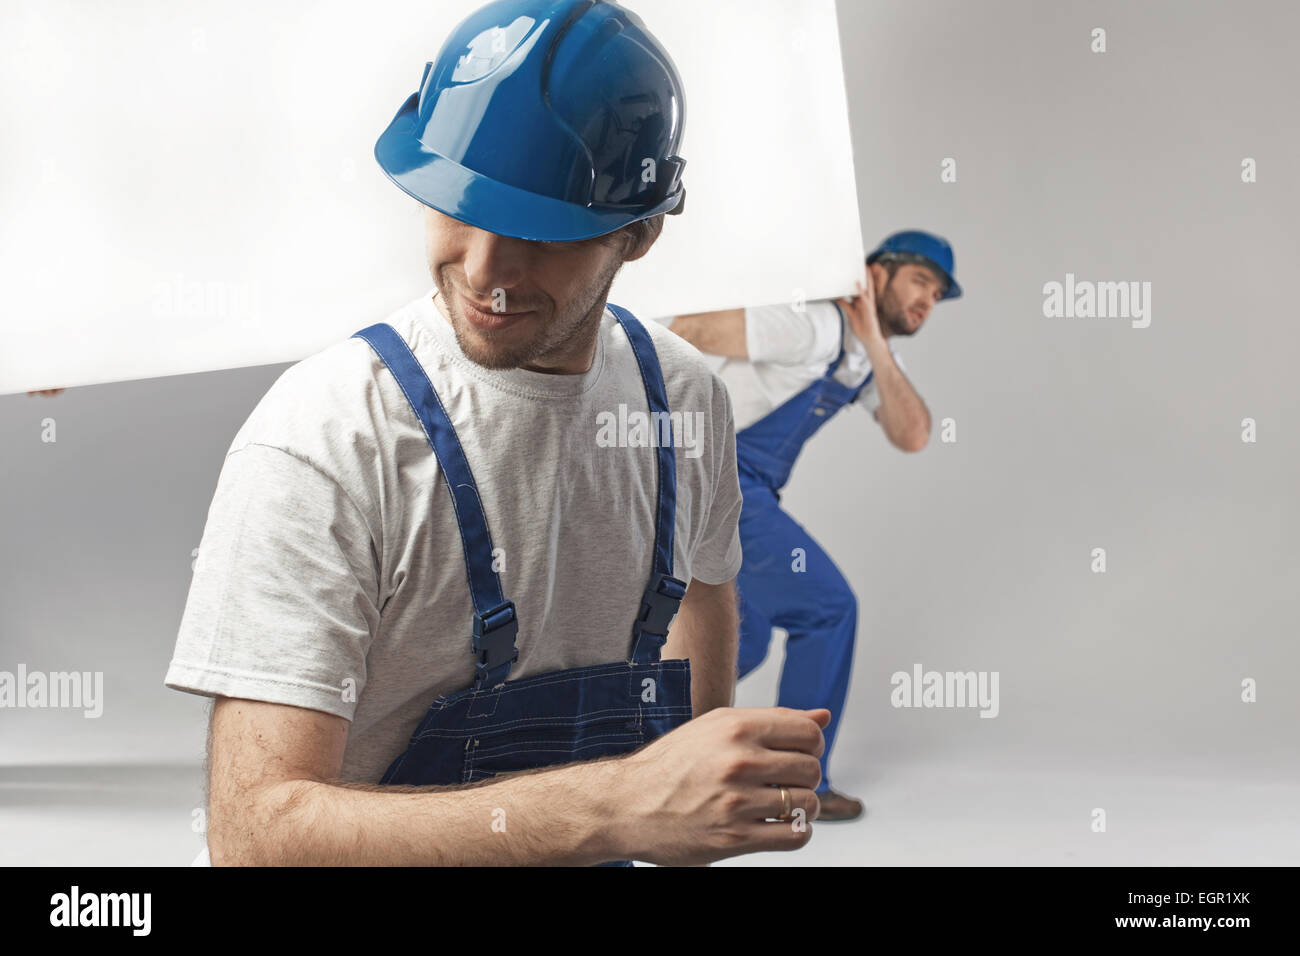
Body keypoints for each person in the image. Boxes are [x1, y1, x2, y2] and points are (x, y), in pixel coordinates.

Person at [165, 0, 829, 867]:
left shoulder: (682, 404)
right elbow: (256, 838)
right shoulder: (327, 440)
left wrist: (706, 790)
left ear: (638, 233)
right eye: (459, 208)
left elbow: (702, 592)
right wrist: (621, 805)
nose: (485, 272)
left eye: (538, 235)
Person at [667, 230, 962, 820]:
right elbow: (691, 328)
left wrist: (876, 342)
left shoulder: (861, 355)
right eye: (920, 281)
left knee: (736, 641)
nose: (928, 300)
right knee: (828, 608)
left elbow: (914, 434)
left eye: (937, 293)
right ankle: (795, 788)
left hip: (736, 489)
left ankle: (629, 748)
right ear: (876, 273)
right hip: (714, 478)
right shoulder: (814, 325)